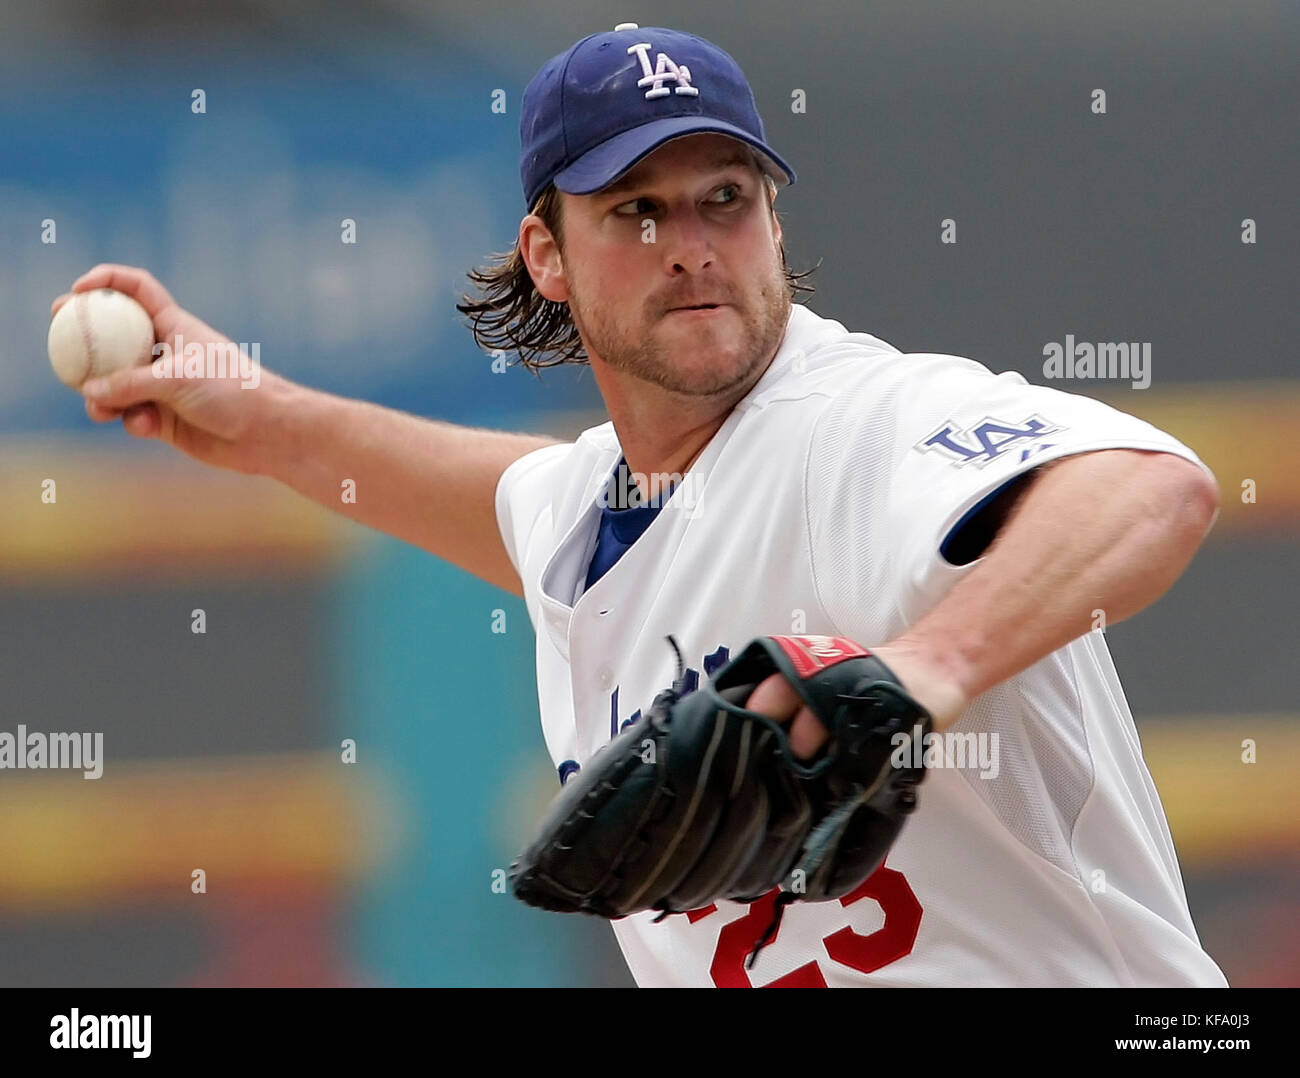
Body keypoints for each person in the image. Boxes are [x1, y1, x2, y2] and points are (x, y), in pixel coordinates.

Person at [55, 24, 1228, 988]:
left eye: (726, 197)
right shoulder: (585, 506)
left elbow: (1150, 486)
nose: (692, 246)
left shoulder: (857, 426)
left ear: (773, 222)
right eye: (635, 210)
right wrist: (257, 414)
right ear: (545, 254)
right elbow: (511, 505)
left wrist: (926, 669)